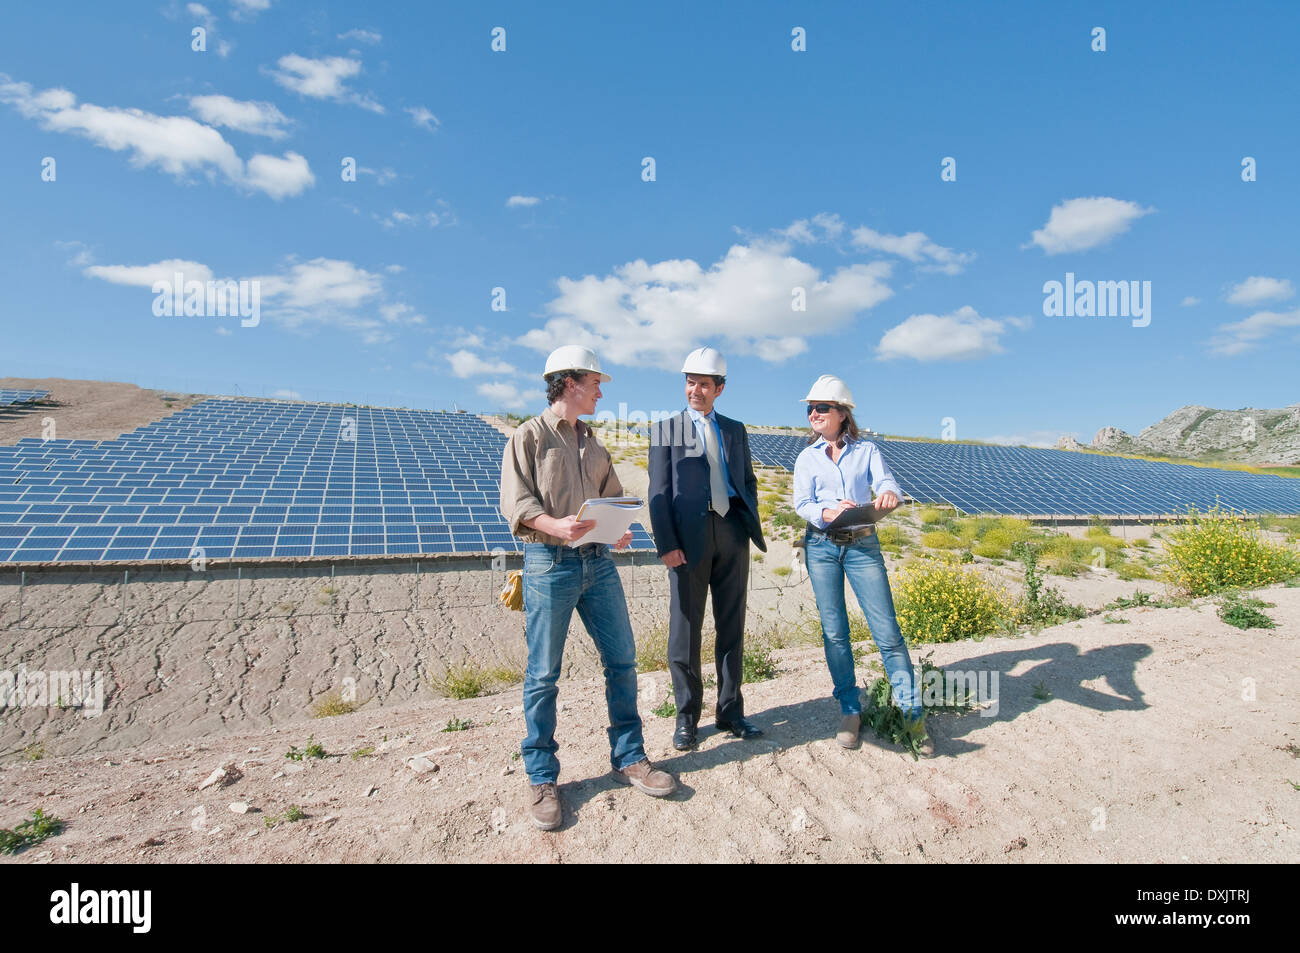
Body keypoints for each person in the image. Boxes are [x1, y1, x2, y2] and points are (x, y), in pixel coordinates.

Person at [500, 345, 677, 830]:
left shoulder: (595, 445)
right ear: (570, 382)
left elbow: (614, 497)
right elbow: (516, 504)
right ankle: (542, 777)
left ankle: (630, 758)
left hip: (598, 564)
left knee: (622, 660)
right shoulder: (528, 437)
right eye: (596, 382)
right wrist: (555, 526)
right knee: (543, 674)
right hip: (549, 563)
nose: (602, 391)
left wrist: (615, 527)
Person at [791, 375, 933, 755]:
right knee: (835, 633)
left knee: (887, 632)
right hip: (821, 547)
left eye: (821, 407)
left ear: (841, 413)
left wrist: (888, 493)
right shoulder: (806, 458)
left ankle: (912, 717)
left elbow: (888, 484)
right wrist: (827, 510)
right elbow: (801, 503)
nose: (813, 414)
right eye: (810, 408)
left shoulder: (867, 451)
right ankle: (850, 711)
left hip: (862, 547)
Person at [648, 346, 767, 751]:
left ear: (720, 388)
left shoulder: (735, 430)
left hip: (732, 535)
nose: (694, 390)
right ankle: (686, 718)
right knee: (685, 632)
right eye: (689, 382)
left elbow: (747, 480)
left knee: (731, 627)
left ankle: (731, 712)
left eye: (703, 384)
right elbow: (658, 493)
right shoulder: (667, 429)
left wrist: (745, 519)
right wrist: (666, 544)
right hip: (687, 544)